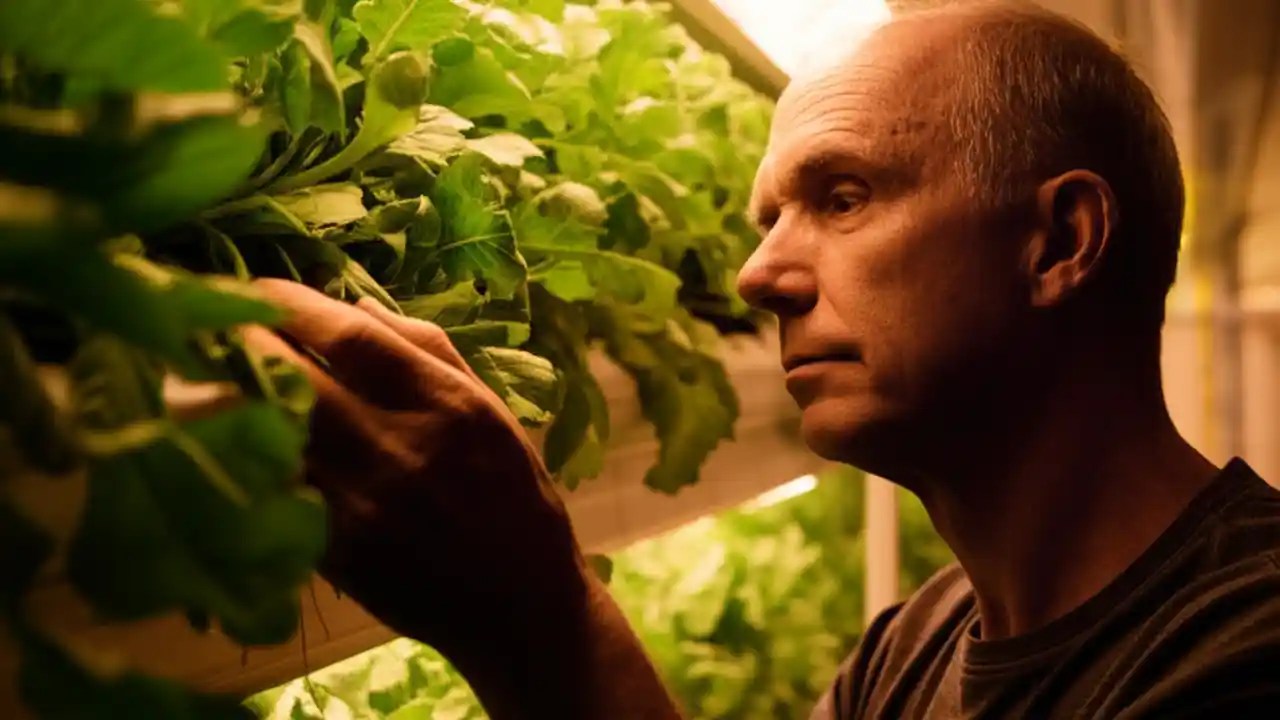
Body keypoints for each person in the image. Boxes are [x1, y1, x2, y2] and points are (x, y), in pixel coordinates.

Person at [245, 1, 1280, 718]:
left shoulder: (1242, 653)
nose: (755, 275)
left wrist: (540, 623)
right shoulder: (905, 651)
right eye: (763, 217)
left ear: (1058, 242)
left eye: (840, 197)